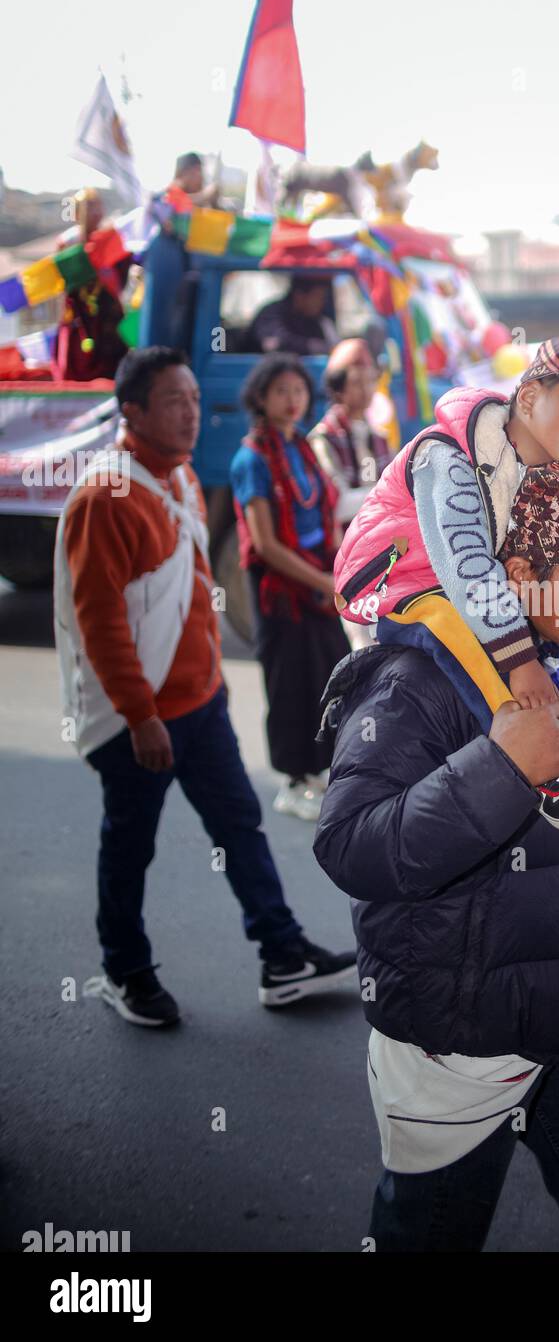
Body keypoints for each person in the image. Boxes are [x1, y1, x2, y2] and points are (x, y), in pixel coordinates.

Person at [314, 460, 559, 1251]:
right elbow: (350, 845)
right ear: (518, 573)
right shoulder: (412, 681)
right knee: (431, 1231)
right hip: (461, 1031)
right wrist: (500, 766)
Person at [53, 347, 356, 1027]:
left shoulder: (180, 475)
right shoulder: (107, 496)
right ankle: (125, 972)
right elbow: (98, 620)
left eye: (194, 398)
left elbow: (184, 595)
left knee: (240, 828)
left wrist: (210, 684)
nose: (191, 413)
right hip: (143, 720)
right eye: (172, 401)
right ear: (131, 412)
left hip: (201, 701)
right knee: (130, 846)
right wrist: (139, 716)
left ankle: (282, 955)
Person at [334, 335, 559, 833]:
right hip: (401, 579)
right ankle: (543, 765)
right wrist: (522, 668)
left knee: (555, 622)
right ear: (529, 397)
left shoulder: (554, 464)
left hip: (474, 581)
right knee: (471, 637)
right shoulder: (449, 456)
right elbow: (467, 569)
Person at [230, 355, 346, 821]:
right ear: (260, 397)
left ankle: (320, 771)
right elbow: (264, 543)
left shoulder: (301, 446)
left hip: (317, 572)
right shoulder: (251, 458)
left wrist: (335, 567)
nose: (293, 400)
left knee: (328, 671)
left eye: (298, 390)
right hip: (281, 585)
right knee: (288, 680)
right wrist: (321, 580)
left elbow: (323, 509)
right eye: (281, 391)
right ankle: (291, 781)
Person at [307, 338, 392, 531]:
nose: (365, 389)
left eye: (370, 380)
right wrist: (388, 495)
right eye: (356, 382)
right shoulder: (323, 438)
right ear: (338, 390)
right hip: (344, 540)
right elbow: (338, 504)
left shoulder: (377, 436)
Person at [53, 188, 131, 382]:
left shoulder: (110, 239)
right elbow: (64, 280)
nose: (94, 211)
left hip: (108, 316)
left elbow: (123, 269)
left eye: (97, 205)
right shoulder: (68, 242)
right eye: (88, 206)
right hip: (80, 316)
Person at [243, 275, 337, 356]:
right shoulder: (271, 314)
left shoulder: (314, 320)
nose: (322, 302)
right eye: (318, 296)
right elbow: (275, 343)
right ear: (299, 295)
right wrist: (314, 347)